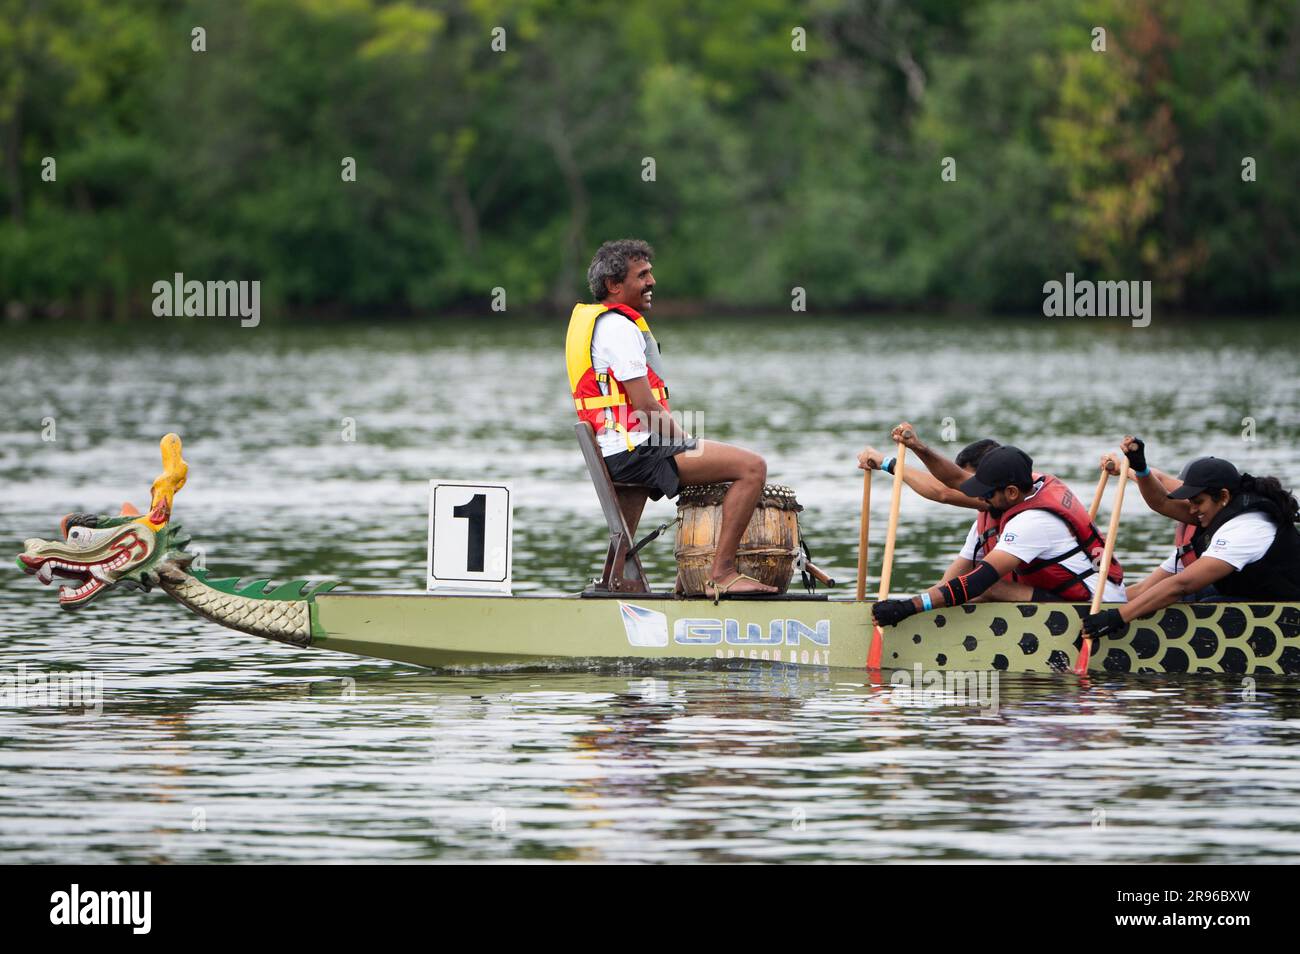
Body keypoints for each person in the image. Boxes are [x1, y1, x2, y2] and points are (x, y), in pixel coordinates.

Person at [565, 239, 776, 598]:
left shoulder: (604, 324)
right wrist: (688, 445)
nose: (652, 282)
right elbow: (647, 410)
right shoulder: (619, 328)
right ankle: (720, 573)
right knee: (752, 467)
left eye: (650, 273)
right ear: (615, 285)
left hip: (624, 451)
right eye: (642, 275)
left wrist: (686, 446)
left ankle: (623, 586)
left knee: (708, 468)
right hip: (636, 453)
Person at [872, 444, 1127, 629]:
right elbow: (952, 578)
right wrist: (907, 606)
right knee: (965, 587)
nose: (979, 499)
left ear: (1012, 492)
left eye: (987, 493)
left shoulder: (1032, 521)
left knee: (988, 585)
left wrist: (909, 608)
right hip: (1066, 598)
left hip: (1096, 608)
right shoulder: (1004, 505)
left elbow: (980, 582)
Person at [1082, 456, 1300, 640]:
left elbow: (1181, 585)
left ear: (1223, 496)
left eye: (1197, 501)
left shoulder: (1245, 528)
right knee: (1180, 595)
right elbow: (1143, 589)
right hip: (1259, 596)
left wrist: (1116, 618)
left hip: (1287, 618)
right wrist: (1091, 604)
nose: (1191, 509)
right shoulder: (1214, 515)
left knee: (1204, 602)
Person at [859, 435, 1034, 599]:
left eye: (973, 483)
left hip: (1049, 602)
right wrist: (904, 606)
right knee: (963, 591)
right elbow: (945, 585)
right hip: (1018, 601)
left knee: (984, 587)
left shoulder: (1028, 511)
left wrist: (888, 463)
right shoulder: (985, 520)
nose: (974, 492)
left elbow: (943, 492)